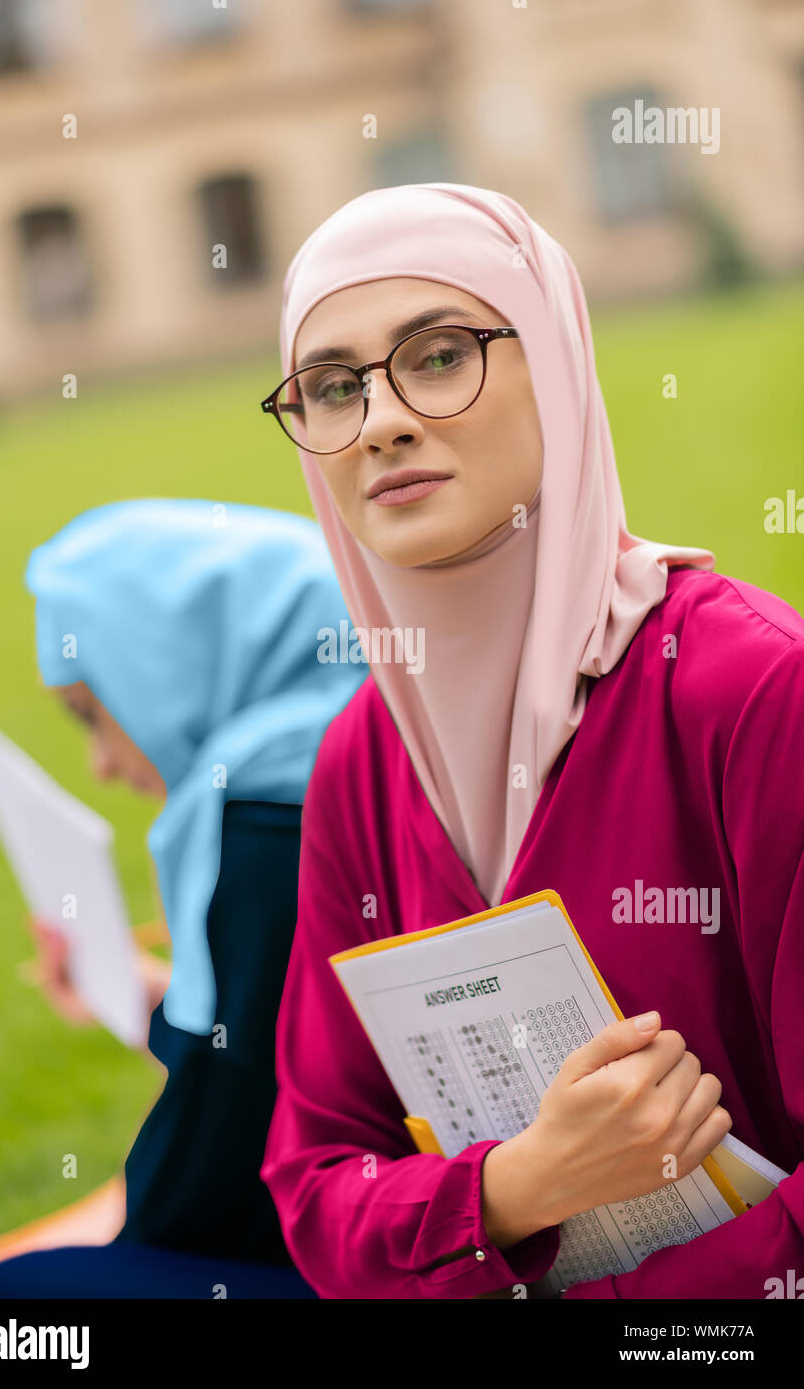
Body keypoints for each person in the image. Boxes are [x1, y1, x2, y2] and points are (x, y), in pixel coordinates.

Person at [258, 182, 804, 1299]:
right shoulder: (361, 759)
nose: (382, 421)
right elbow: (313, 1187)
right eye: (330, 388)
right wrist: (510, 1190)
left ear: (549, 365)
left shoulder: (751, 689)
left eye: (440, 353)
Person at [0, 497, 364, 1298]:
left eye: (92, 714)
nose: (103, 765)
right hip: (443, 1232)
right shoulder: (368, 735)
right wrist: (158, 1001)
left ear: (175, 663)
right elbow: (292, 1058)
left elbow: (211, 1184)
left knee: (18, 1299)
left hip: (377, 1261)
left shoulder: (267, 813)